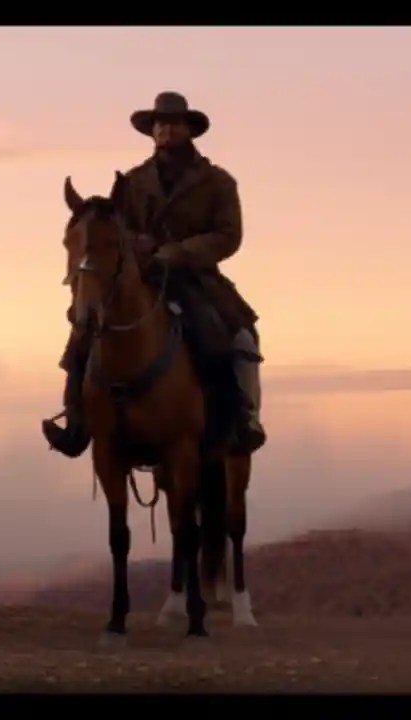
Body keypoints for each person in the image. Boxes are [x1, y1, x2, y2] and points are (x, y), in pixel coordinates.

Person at [41, 91, 266, 458]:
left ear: (188, 130)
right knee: (83, 333)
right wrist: (138, 246)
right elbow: (116, 231)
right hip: (140, 276)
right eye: (160, 124)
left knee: (237, 334)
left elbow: (229, 235)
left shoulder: (217, 181)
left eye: (173, 124)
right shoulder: (132, 181)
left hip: (195, 277)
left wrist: (177, 253)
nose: (166, 130)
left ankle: (242, 418)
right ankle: (77, 422)